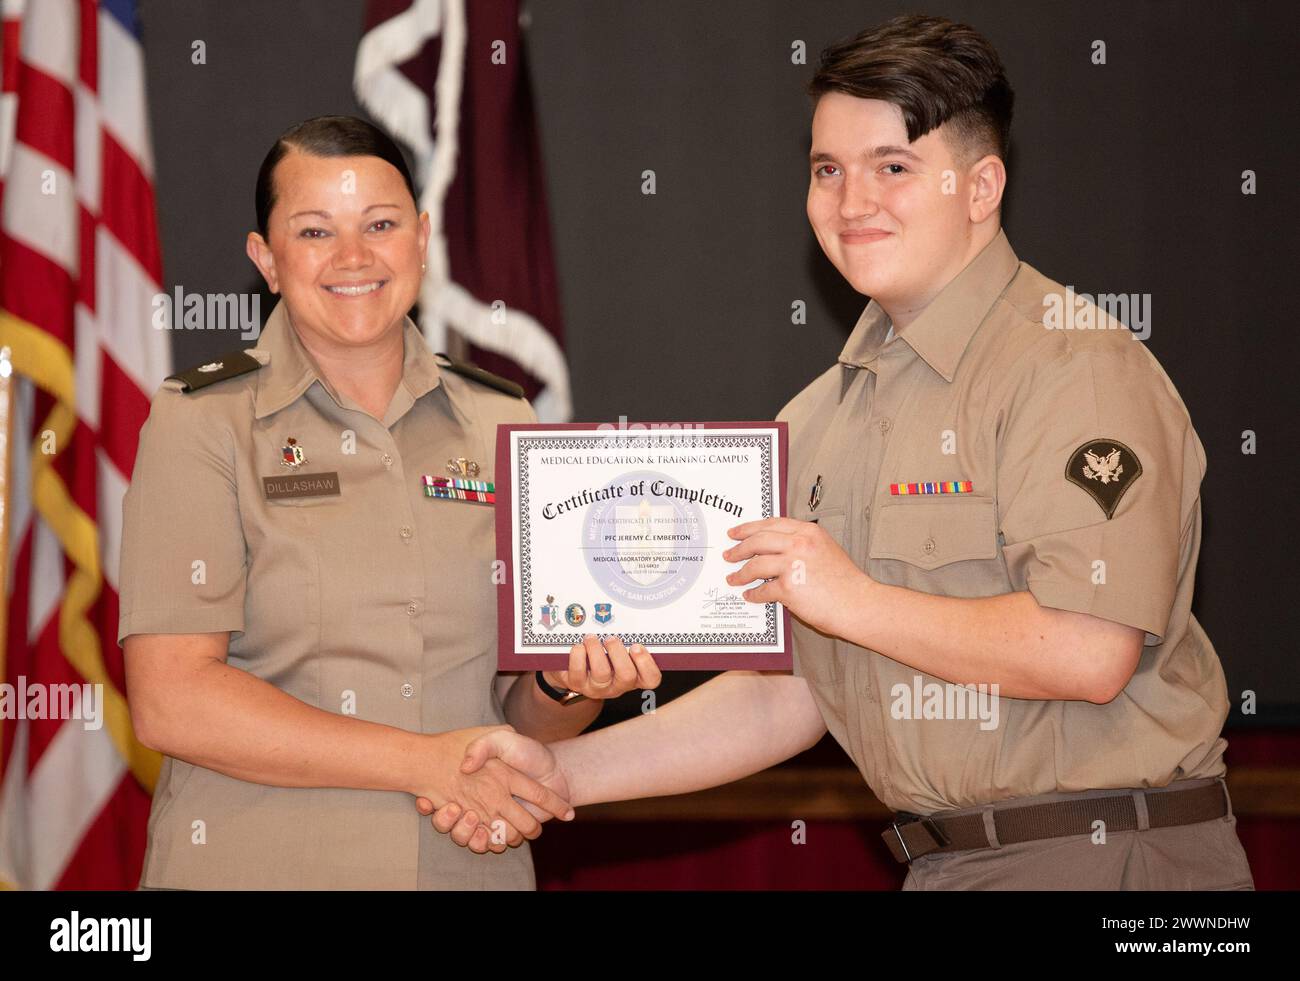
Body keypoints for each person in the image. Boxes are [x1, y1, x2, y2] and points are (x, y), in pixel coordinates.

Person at [423, 15, 1254, 890]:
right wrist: (561, 776)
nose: (852, 201)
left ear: (981, 187)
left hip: (1114, 860)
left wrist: (851, 595)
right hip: (950, 865)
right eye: (828, 170)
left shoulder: (1072, 366)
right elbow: (795, 691)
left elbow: (1089, 649)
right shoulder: (821, 416)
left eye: (892, 168)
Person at [118, 115, 661, 890]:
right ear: (266, 260)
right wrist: (423, 760)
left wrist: (567, 685)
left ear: (422, 238)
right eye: (314, 232)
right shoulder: (202, 420)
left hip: (467, 865)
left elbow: (515, 711)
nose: (353, 257)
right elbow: (173, 700)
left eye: (380, 224)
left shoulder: (503, 418)